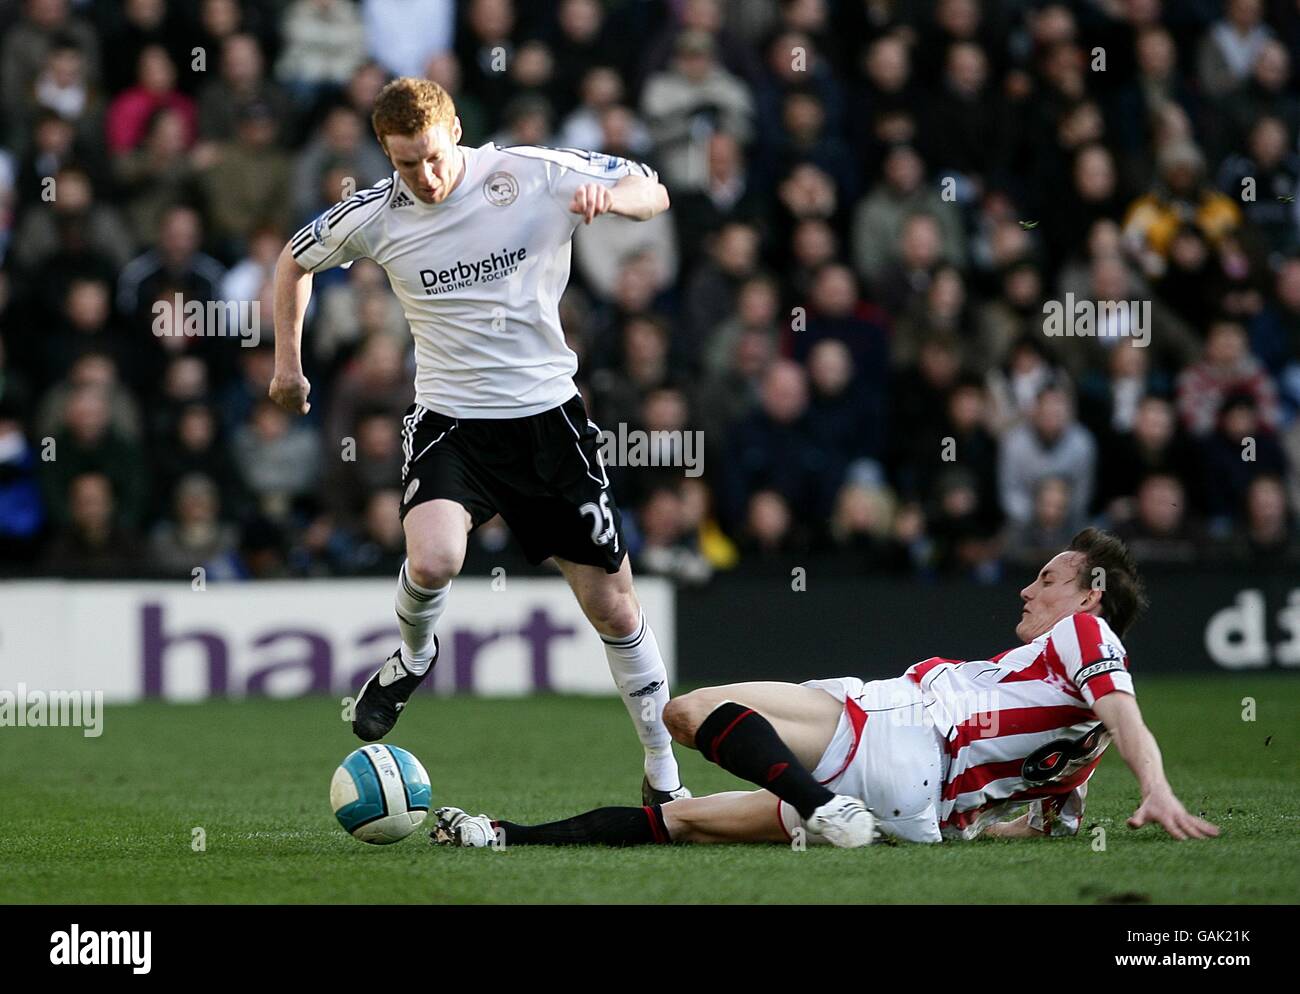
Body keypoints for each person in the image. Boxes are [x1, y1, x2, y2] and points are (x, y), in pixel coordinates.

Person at [268, 77, 689, 804]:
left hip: (548, 422)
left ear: (455, 129)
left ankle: (663, 775)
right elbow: (292, 263)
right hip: (451, 424)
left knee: (615, 610)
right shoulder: (379, 215)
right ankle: (411, 656)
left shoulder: (533, 173)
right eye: (406, 164)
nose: (425, 178)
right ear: (386, 155)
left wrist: (613, 200)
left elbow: (653, 188)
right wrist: (287, 364)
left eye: (432, 156)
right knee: (432, 561)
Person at [432, 529, 1221, 848]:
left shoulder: (1088, 638)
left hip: (903, 728)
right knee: (684, 825)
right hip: (914, 806)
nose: (1028, 590)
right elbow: (1053, 823)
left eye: (1047, 580)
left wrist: (1157, 786)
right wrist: (971, 826)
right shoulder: (1070, 736)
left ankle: (820, 806)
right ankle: (501, 835)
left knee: (689, 711)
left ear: (1090, 596)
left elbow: (1131, 719)